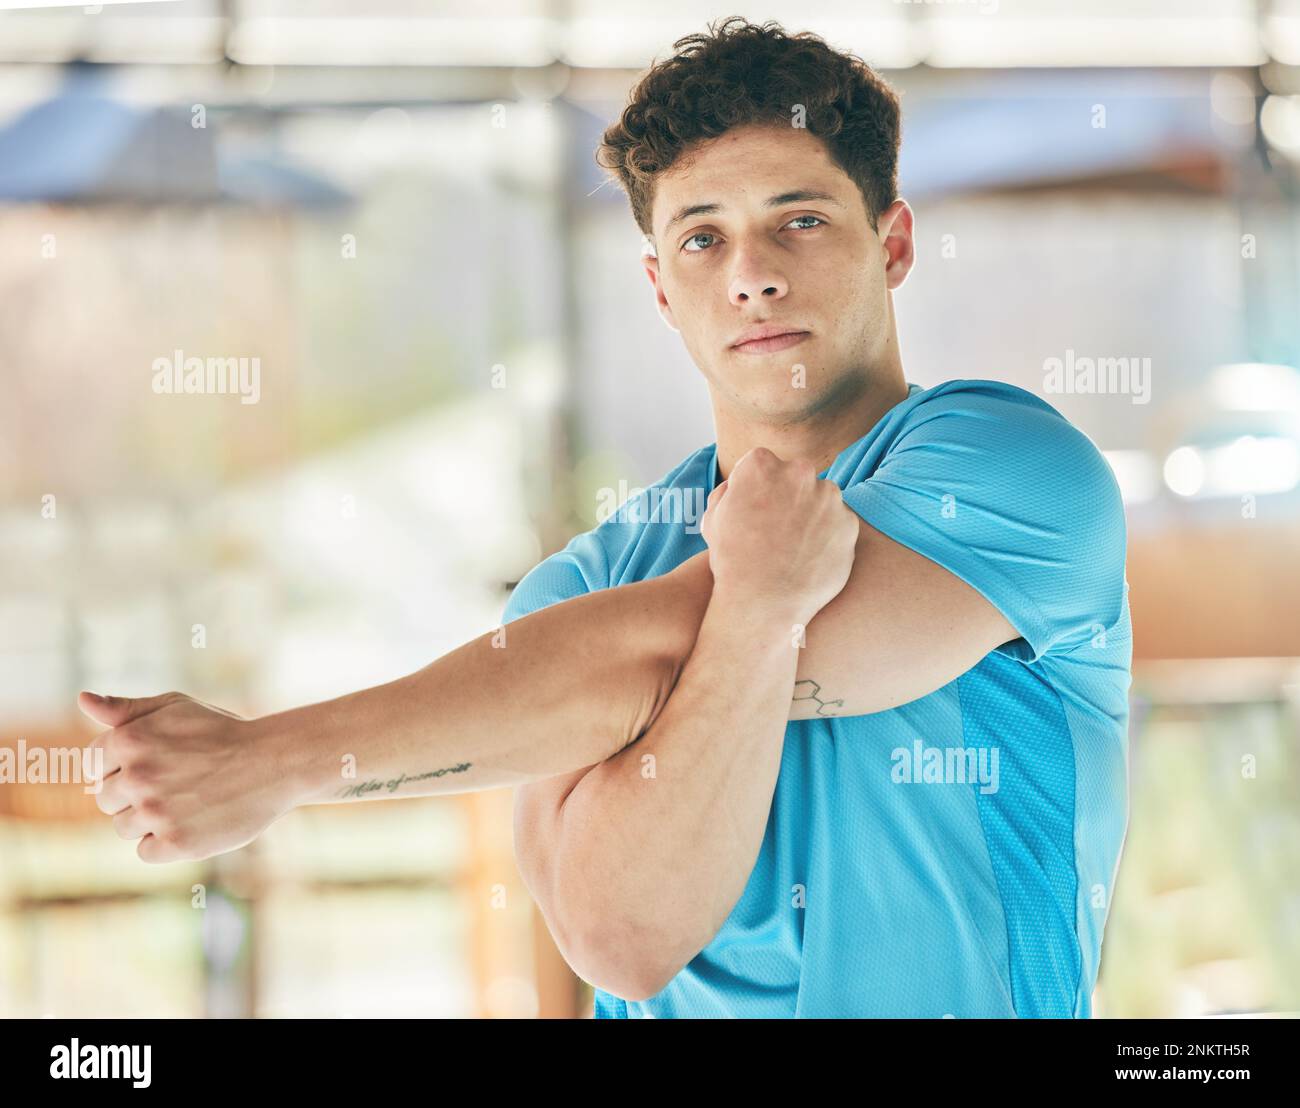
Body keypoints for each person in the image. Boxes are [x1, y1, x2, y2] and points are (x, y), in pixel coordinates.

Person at [77, 17, 1131, 1018]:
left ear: (893, 243)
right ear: (660, 288)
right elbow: (622, 935)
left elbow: (642, 656)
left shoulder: (1006, 471)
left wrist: (277, 759)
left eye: (798, 220)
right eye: (702, 239)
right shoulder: (579, 590)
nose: (752, 276)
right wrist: (759, 609)